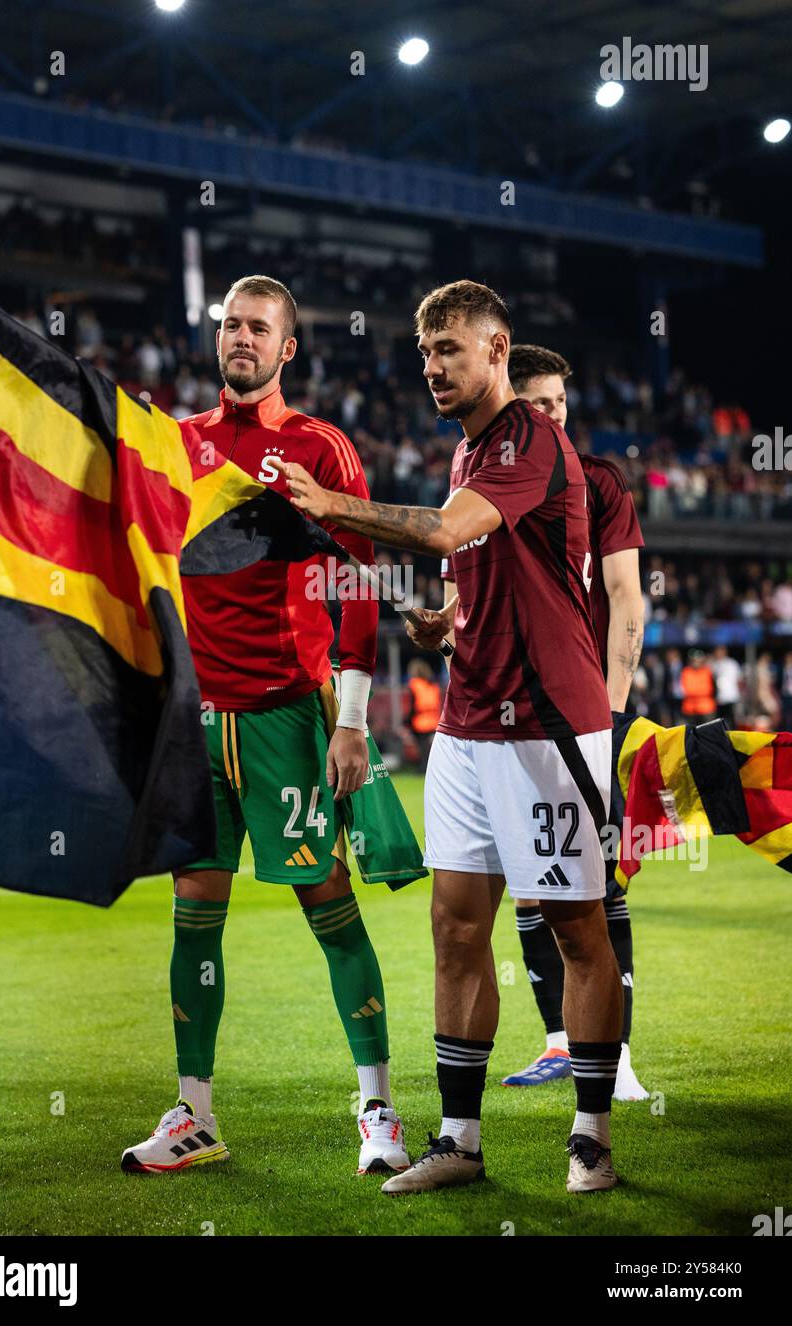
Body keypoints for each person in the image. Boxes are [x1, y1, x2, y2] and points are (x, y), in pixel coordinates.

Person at [277, 279, 623, 1194]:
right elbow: (481, 566)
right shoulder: (471, 454)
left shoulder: (533, 442)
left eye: (450, 350)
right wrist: (442, 620)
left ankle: (590, 1137)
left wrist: (329, 503)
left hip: (548, 727)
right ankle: (461, 1143)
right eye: (425, 353)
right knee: (455, 927)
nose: (432, 367)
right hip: (467, 725)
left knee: (575, 928)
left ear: (498, 350)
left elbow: (438, 530)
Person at [122, 276, 408, 1177]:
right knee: (192, 915)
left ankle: (379, 1112)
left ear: (288, 348)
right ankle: (194, 1114)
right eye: (231, 326)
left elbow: (357, 581)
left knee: (328, 907)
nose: (241, 338)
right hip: (197, 721)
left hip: (286, 713)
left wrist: (353, 720)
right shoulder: (180, 444)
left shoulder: (319, 446)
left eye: (260, 328)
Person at [494, 345, 647, 1101]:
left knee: (597, 885)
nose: (553, 414)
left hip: (586, 712)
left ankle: (614, 1058)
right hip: (513, 715)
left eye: (559, 401)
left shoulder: (600, 482)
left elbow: (627, 597)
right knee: (531, 887)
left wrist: (613, 715)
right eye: (539, 402)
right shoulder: (485, 479)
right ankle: (559, 1042)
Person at [406, 658, 442, 771]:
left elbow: (412, 706)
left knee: (422, 750)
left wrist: (406, 722)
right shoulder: (434, 686)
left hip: (420, 722)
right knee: (431, 751)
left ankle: (422, 770)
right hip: (434, 722)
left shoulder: (414, 685)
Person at [680, 650, 716, 725]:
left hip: (706, 708)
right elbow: (686, 690)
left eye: (698, 660)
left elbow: (709, 689)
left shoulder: (707, 671)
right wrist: (699, 691)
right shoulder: (686, 671)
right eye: (694, 660)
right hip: (690, 708)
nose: (696, 662)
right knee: (690, 733)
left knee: (708, 732)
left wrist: (695, 691)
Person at [712, 645, 743, 727]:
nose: (719, 654)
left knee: (733, 720)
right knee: (719, 722)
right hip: (719, 698)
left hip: (732, 696)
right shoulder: (714, 664)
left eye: (720, 651)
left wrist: (740, 694)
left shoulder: (732, 663)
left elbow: (739, 679)